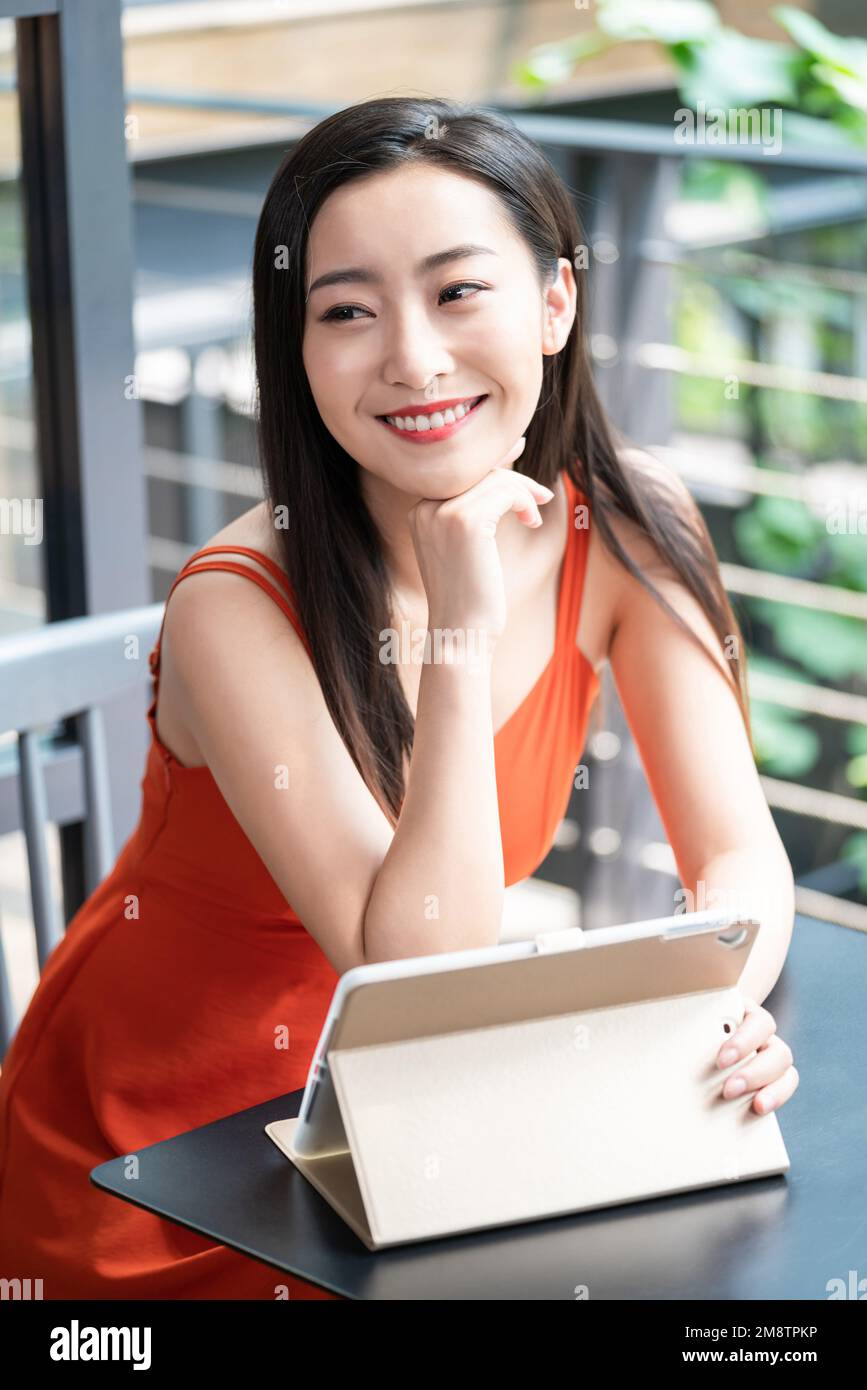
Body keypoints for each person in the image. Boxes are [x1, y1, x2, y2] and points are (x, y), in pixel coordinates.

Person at [0, 96, 798, 1299]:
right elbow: (417, 961)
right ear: (300, 350)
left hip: (423, 1122)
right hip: (171, 1168)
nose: (412, 358)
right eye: (348, 312)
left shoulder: (632, 522)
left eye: (457, 290)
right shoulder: (234, 605)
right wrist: (460, 626)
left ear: (554, 304)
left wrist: (720, 1011)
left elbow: (739, 851)